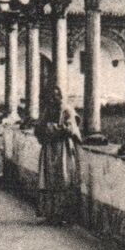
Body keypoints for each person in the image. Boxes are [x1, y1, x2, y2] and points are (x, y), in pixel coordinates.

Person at [34, 88, 81, 225]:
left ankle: (64, 215)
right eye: (50, 96)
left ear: (60, 96)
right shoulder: (47, 111)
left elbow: (71, 129)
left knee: (63, 179)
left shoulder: (67, 110)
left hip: (63, 149)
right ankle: (51, 214)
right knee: (49, 180)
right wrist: (52, 128)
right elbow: (38, 128)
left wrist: (50, 128)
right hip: (49, 149)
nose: (52, 99)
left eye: (55, 96)